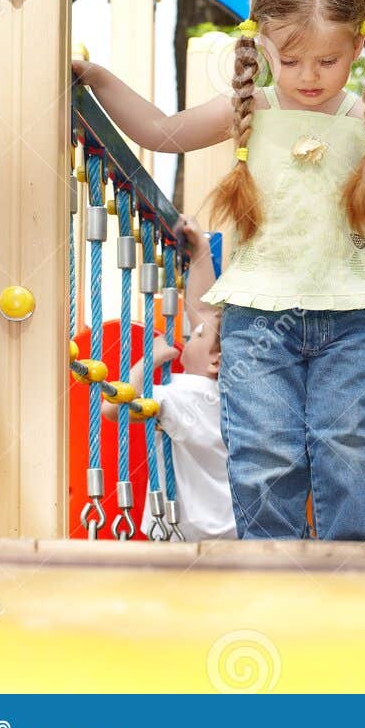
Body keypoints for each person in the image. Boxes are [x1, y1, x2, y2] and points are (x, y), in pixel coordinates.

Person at [77, 0, 365, 542]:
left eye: (328, 59)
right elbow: (162, 133)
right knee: (265, 453)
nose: (309, 75)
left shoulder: (361, 116)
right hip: (257, 321)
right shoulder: (251, 110)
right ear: (263, 48)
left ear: (358, 48)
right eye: (290, 60)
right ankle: (272, 576)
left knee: (350, 449)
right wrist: (99, 79)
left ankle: (350, 579)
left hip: (349, 317)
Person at [100, 216, 235, 542]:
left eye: (197, 335)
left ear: (215, 361)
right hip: (235, 530)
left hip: (183, 534)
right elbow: (203, 311)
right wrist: (201, 251)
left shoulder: (183, 393)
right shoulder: (236, 398)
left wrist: (151, 360)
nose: (190, 332)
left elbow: (112, 409)